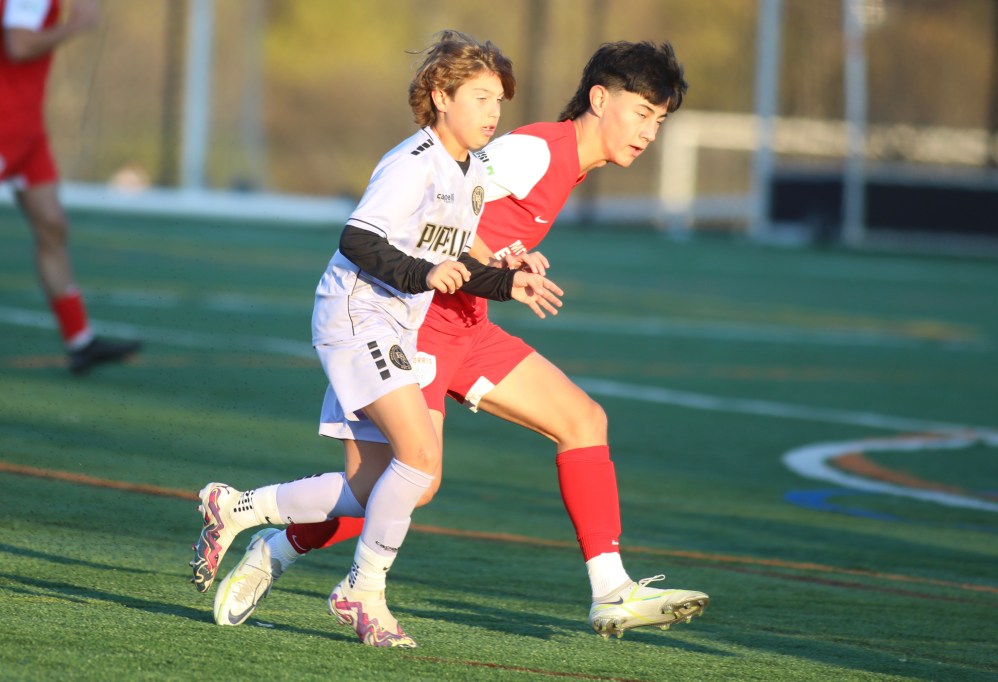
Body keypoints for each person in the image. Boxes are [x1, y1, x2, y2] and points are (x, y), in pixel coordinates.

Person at [215, 40, 709, 640]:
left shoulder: (569, 165)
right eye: (642, 113)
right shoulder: (535, 150)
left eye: (660, 120)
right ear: (600, 99)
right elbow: (447, 191)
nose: (650, 131)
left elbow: (468, 218)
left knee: (583, 421)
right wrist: (491, 257)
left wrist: (504, 260)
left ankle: (611, 591)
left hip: (470, 326)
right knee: (404, 486)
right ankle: (273, 546)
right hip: (419, 325)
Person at [188, 30, 563, 649]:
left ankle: (238, 508)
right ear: (440, 96)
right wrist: (423, 275)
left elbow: (454, 259)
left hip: (393, 324)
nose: (493, 112)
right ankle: (362, 591)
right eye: (480, 97)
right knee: (422, 458)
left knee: (372, 488)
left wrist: (508, 281)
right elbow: (358, 239)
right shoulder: (412, 162)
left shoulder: (472, 173)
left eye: (499, 100)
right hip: (357, 315)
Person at [1, 0, 141, 374]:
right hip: (5, 125)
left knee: (51, 224)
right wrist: (76, 25)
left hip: (27, 131)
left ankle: (81, 341)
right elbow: (19, 45)